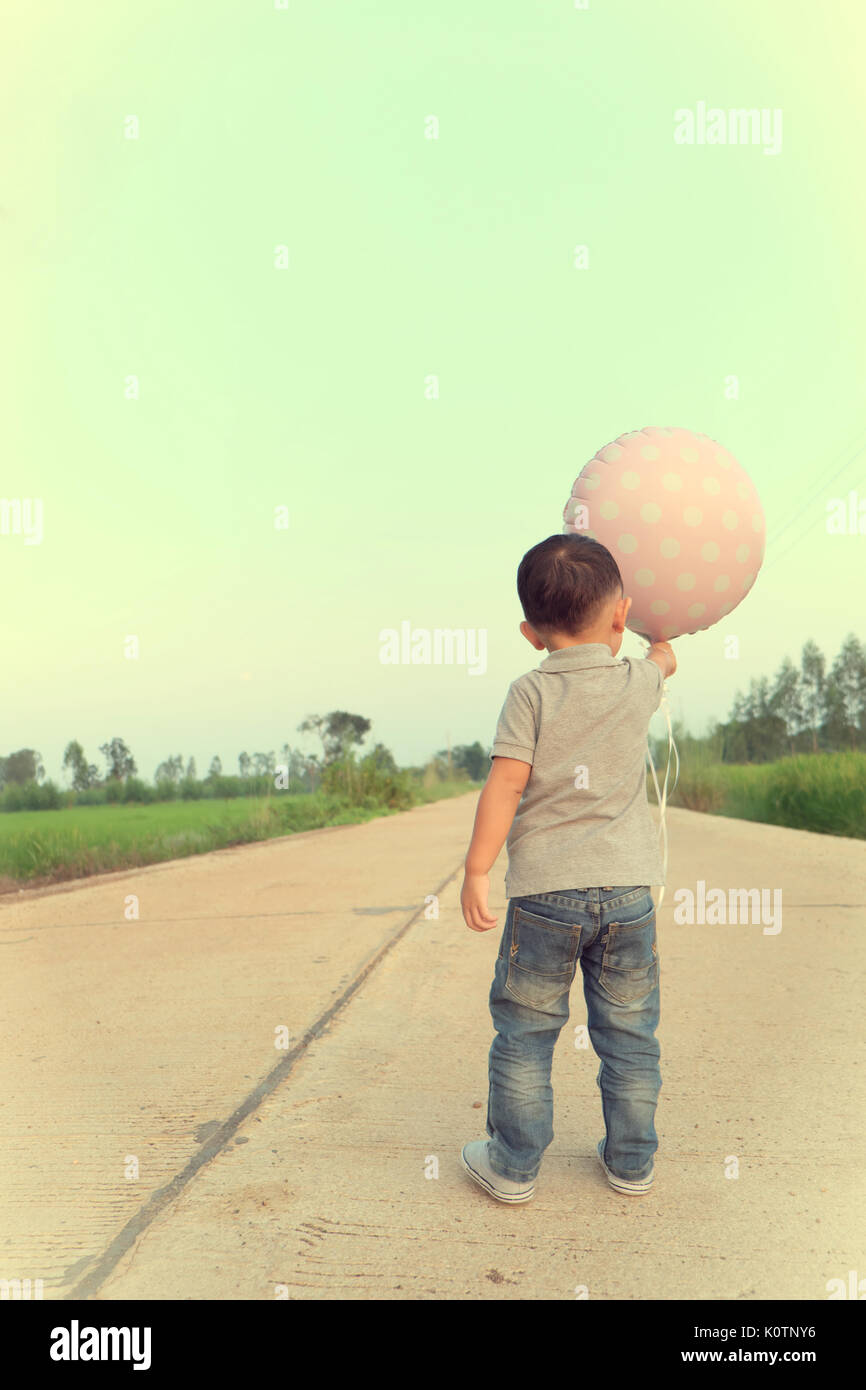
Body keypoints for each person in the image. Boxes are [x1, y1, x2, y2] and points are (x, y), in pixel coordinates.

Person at [459, 532, 676, 1203]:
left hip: (545, 894)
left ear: (529, 632)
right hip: (628, 894)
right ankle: (631, 1160)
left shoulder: (529, 694)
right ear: (619, 615)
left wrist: (476, 870)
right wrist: (654, 628)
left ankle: (515, 1165)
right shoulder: (637, 681)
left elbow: (505, 785)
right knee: (630, 1031)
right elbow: (664, 657)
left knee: (525, 1032)